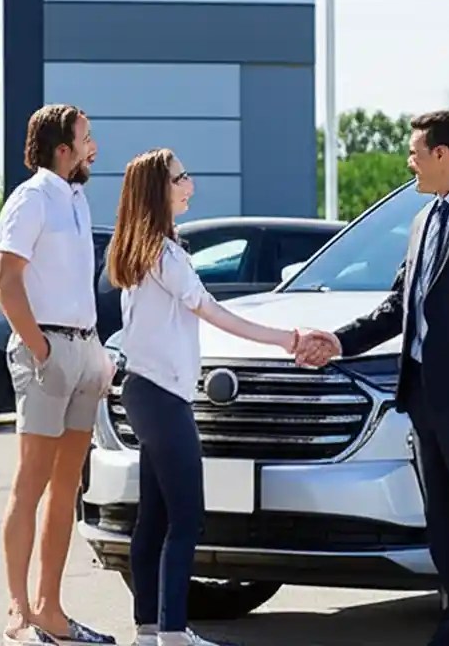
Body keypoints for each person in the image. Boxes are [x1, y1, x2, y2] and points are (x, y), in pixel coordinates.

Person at [295, 110, 449, 646]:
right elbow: (398, 306)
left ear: (443, 154)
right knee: (445, 530)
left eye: (415, 152)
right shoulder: (424, 220)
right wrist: (338, 342)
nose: (410, 162)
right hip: (426, 401)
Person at [107, 148, 299, 646]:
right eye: (180, 177)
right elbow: (213, 313)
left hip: (143, 393)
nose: (189, 183)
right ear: (159, 190)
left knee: (154, 517)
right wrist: (282, 338)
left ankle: (150, 628)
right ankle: (173, 630)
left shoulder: (139, 252)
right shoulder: (165, 255)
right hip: (164, 399)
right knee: (186, 516)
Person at [0, 104, 117, 645]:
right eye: (86, 139)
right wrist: (41, 348)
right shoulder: (32, 198)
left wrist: (91, 352)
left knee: (66, 487)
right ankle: (18, 613)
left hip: (84, 350)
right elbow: (5, 279)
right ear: (62, 149)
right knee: (32, 483)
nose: (94, 147)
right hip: (46, 351)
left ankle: (50, 609)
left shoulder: (75, 196)